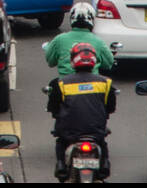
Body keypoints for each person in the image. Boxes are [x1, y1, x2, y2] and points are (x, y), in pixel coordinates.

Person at [46, 43, 116, 180]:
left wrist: (57, 115)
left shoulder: (61, 83)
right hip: (96, 131)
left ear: (73, 61)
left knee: (60, 142)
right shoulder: (105, 83)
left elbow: (53, 107)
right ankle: (104, 164)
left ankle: (61, 165)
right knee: (102, 142)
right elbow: (111, 107)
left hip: (69, 132)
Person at [44, 3, 115, 76]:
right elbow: (108, 64)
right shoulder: (98, 41)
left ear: (72, 19)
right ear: (92, 19)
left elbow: (51, 62)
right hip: (93, 81)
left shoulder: (59, 39)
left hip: (65, 81)